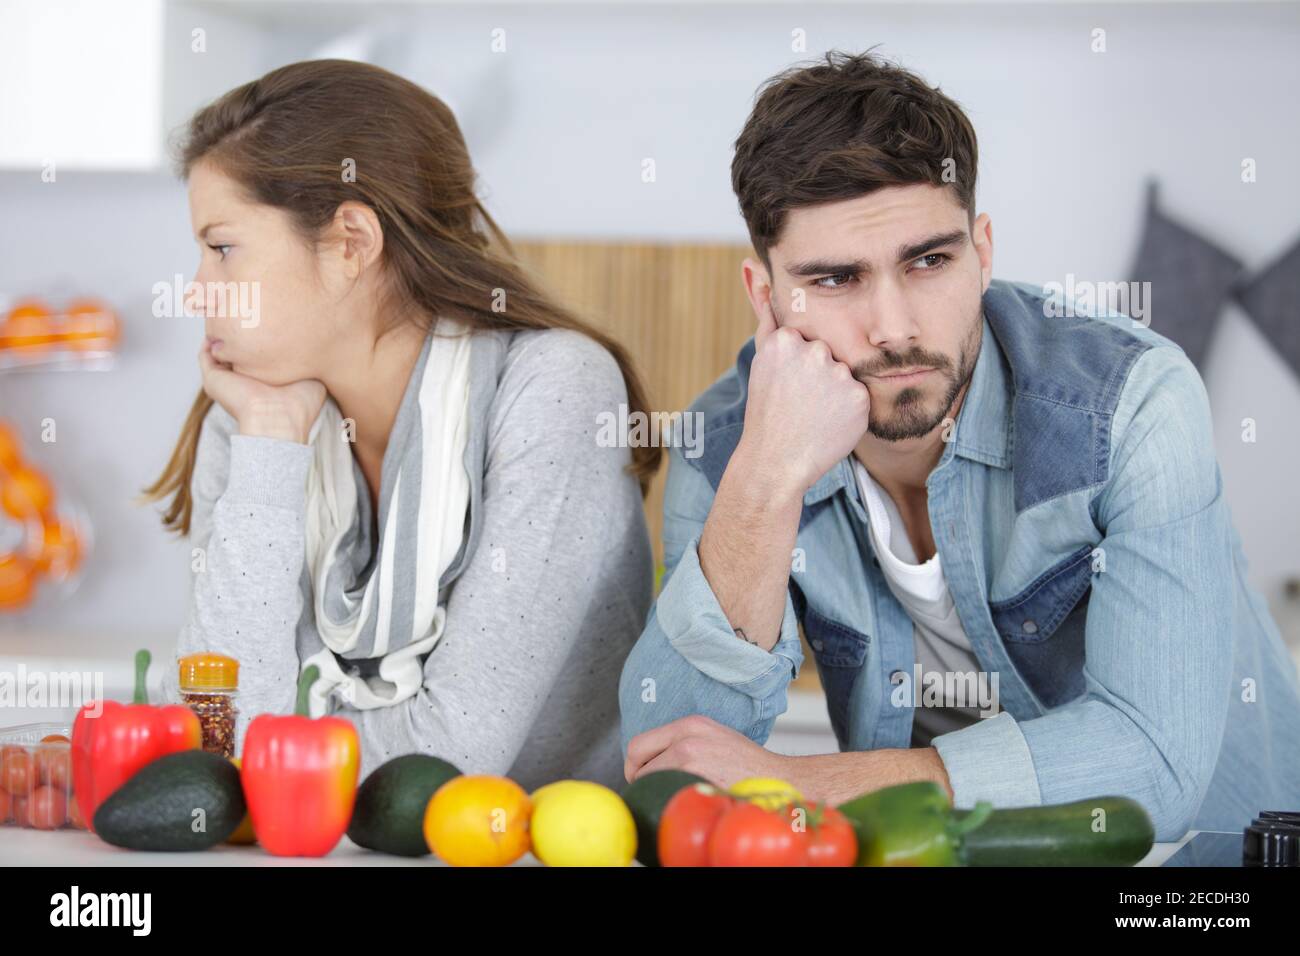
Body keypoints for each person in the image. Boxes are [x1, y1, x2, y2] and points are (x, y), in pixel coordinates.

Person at [619, 49, 1300, 841]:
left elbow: (1151, 766)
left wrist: (803, 784)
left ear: (982, 253)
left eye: (929, 261)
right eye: (837, 280)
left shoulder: (1135, 403)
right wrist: (765, 481)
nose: (894, 326)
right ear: (766, 298)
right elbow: (665, 773)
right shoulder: (728, 449)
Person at [141, 59, 657, 791]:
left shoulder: (552, 389)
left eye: (222, 249)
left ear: (350, 240)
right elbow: (213, 730)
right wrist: (267, 445)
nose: (194, 293)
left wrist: (261, 757)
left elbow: (447, 761)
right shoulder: (256, 420)